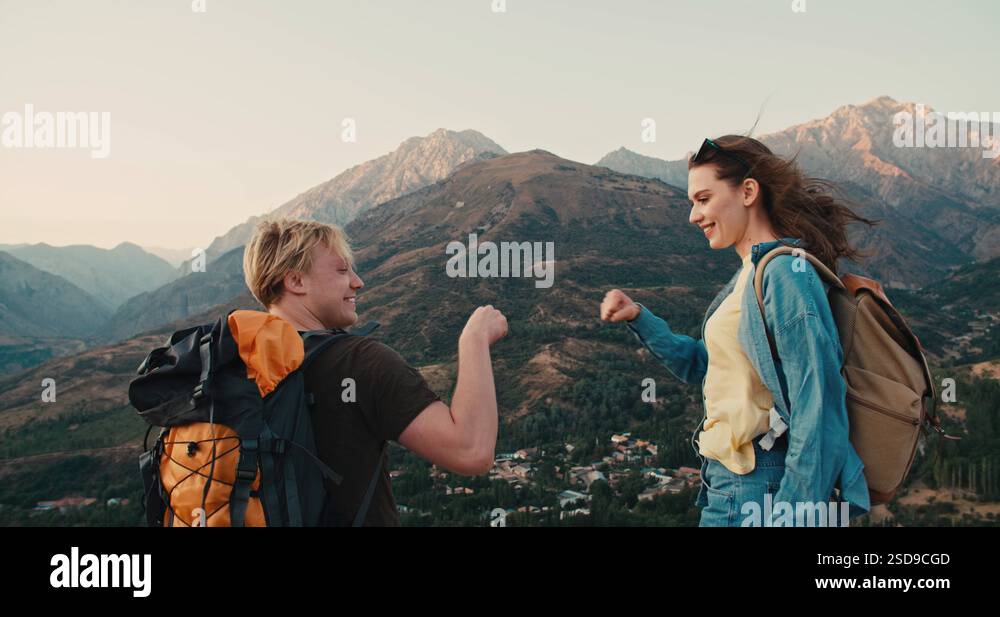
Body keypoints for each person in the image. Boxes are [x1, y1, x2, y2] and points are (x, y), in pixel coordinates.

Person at [600, 136, 877, 527]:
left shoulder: (784, 274)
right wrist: (638, 317)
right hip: (727, 484)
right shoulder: (750, 273)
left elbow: (818, 404)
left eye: (703, 199)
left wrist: (793, 514)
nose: (693, 216)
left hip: (760, 487)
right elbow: (704, 365)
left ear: (748, 191)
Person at [242, 218, 507, 525]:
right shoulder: (360, 362)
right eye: (342, 270)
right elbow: (471, 451)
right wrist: (474, 340)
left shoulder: (228, 365)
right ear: (296, 282)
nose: (358, 282)